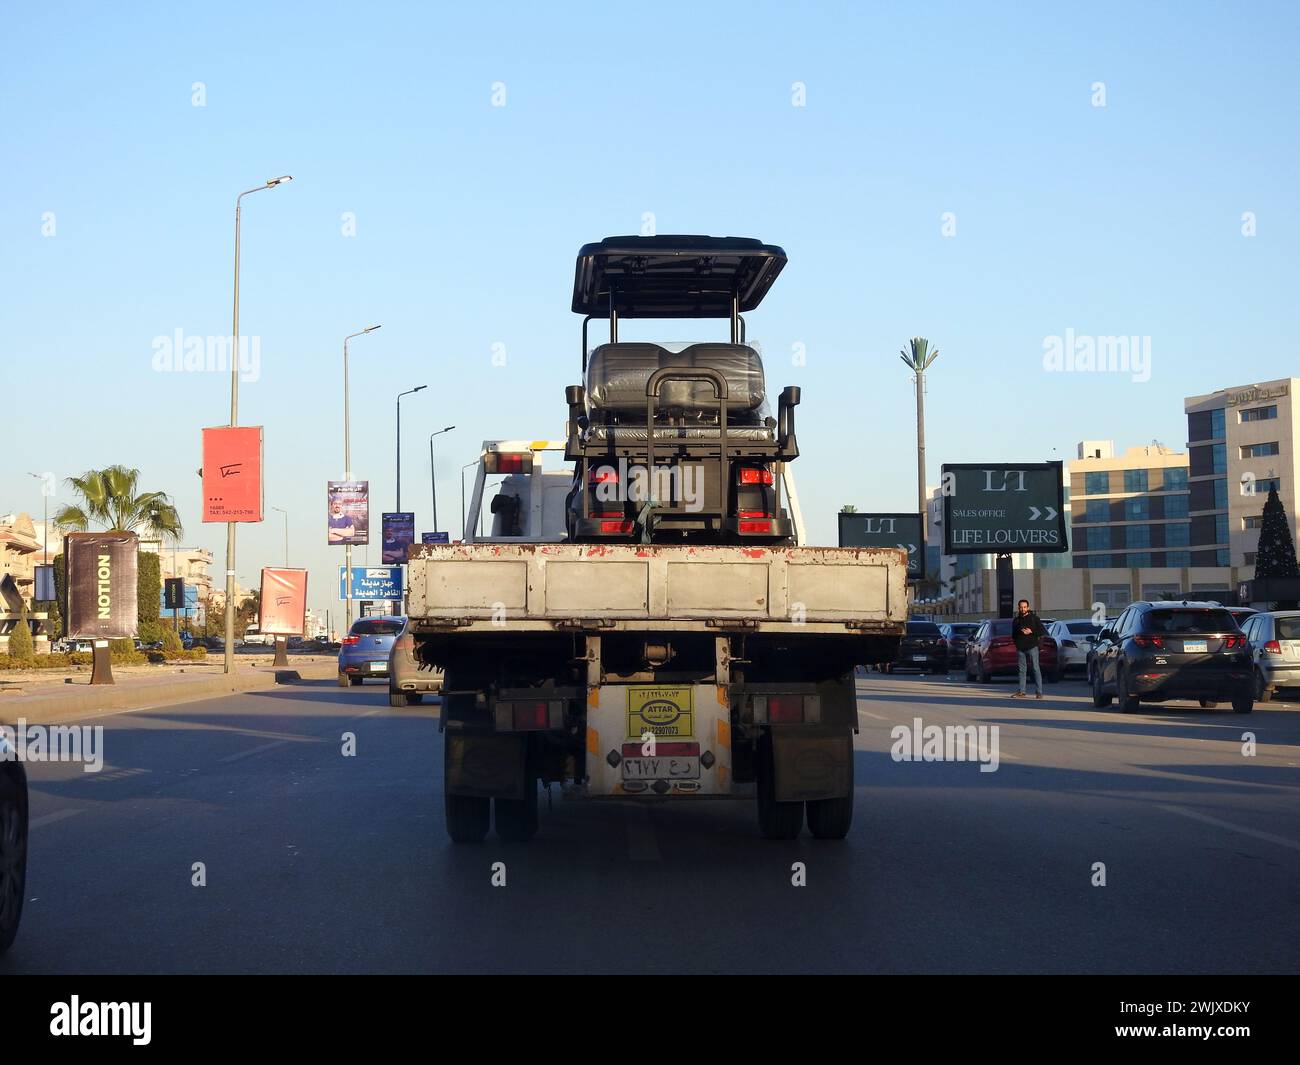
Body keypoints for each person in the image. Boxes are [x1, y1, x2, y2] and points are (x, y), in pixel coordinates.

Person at [1011, 598, 1047, 699]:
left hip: (1032, 647)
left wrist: (1031, 631)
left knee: (1036, 669)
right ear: (1018, 608)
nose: (1023, 609)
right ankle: (1022, 691)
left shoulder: (1034, 618)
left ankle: (1039, 692)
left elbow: (1041, 631)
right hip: (1020, 648)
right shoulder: (1016, 620)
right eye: (1021, 607)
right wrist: (1017, 641)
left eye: (1025, 607)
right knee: (1022, 670)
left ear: (1028, 607)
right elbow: (1013, 634)